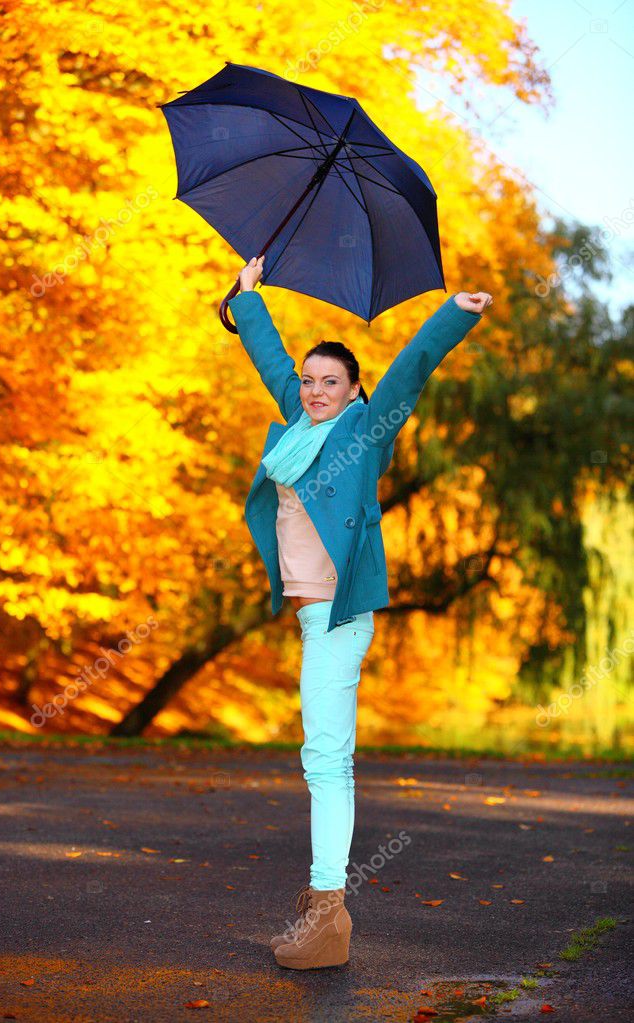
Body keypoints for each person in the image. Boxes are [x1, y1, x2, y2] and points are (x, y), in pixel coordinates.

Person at [228, 255, 492, 970]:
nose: (314, 390)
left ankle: (327, 917)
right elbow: (271, 359)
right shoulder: (294, 428)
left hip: (340, 620)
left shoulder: (362, 434)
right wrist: (247, 298)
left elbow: (410, 368)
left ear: (352, 394)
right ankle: (323, 917)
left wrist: (455, 315)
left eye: (330, 383)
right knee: (323, 759)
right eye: (309, 381)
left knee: (326, 762)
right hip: (313, 619)